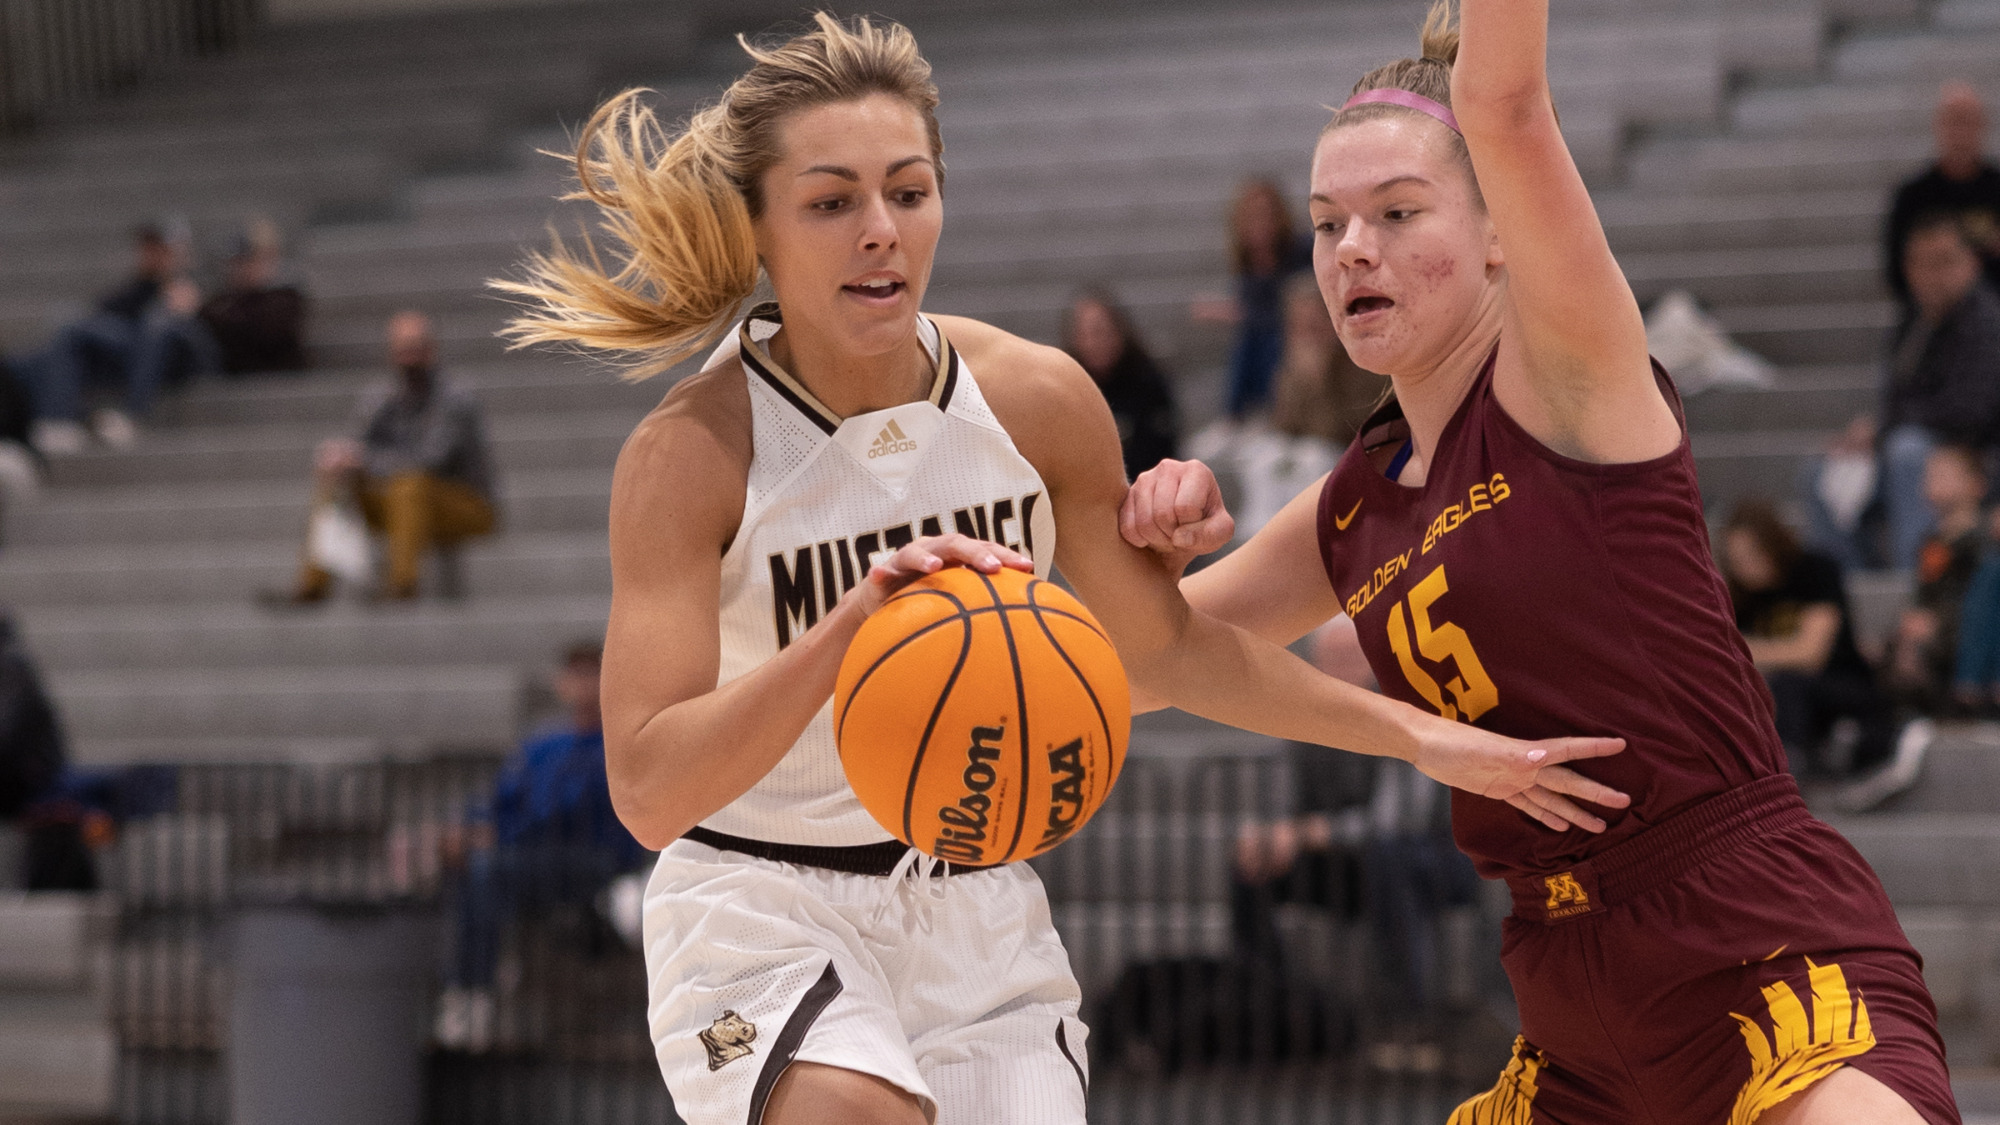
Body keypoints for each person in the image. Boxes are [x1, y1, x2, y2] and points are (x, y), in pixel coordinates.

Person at [495, 16, 1626, 1125]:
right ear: (756, 228)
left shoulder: (1034, 402)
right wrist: (849, 634)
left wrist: (1421, 738)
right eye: (832, 202)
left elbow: (1166, 655)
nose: (881, 230)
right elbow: (648, 793)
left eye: (908, 191)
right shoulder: (693, 454)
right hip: (761, 896)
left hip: (973, 906)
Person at [1119, 0, 1958, 1119]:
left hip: (1753, 950)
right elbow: (1131, 668)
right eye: (1325, 224)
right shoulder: (1349, 506)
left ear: (1497, 233)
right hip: (1569, 1014)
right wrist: (1134, 547)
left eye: (1396, 211)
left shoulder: (1565, 374)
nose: (1352, 247)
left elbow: (1506, 104)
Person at [437, 641, 644, 1050]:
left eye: (592, 673)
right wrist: (471, 827)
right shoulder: (542, 745)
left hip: (593, 861)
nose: (584, 684)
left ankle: (475, 989)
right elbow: (500, 800)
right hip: (530, 859)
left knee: (489, 870)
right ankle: (470, 989)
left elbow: (570, 813)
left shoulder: (620, 743)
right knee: (475, 871)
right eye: (576, 674)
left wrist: (502, 834)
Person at [270, 310, 496, 604]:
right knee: (338, 486)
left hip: (467, 504)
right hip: (404, 504)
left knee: (410, 484)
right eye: (402, 348)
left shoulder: (455, 399)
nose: (408, 356)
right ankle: (312, 587)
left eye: (415, 347)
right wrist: (341, 458)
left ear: (432, 349)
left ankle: (402, 585)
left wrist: (363, 459)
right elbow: (358, 445)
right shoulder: (382, 396)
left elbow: (430, 460)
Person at [1722, 498, 1900, 782]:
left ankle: (1789, 768)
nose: (1745, 568)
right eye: (1737, 562)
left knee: (1788, 684)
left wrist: (1748, 648)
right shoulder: (1740, 593)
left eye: (1752, 557)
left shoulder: (1814, 570)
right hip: (1782, 693)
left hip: (1842, 683)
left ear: (1772, 546)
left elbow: (1810, 654)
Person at [1876, 213, 2000, 571]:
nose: (1933, 275)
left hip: (1974, 448)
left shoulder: (1986, 321)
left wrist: (1897, 422)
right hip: (1923, 435)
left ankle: (1919, 578)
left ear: (1971, 263)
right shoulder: (1912, 323)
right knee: (1825, 471)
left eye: (1944, 262)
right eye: (1922, 264)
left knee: (1908, 453)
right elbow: (1894, 396)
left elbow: (1972, 410)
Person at [23, 223, 217, 453]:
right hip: (135, 352)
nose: (153, 255)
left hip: (179, 357)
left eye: (161, 249)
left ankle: (133, 416)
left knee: (159, 324)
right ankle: (57, 420)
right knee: (67, 325)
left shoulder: (195, 284)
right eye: (148, 248)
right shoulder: (136, 289)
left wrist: (186, 307)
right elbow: (102, 314)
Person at [1194, 178, 1313, 421]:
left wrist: (1237, 312)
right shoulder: (1247, 264)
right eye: (1251, 216)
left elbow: (1301, 310)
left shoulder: (1301, 251)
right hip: (1261, 341)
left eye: (1265, 214)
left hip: (1297, 337)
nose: (1259, 224)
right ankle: (1234, 416)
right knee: (1247, 341)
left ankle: (1262, 413)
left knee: (1264, 339)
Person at [1885, 445, 1985, 714]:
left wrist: (1937, 622)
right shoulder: (1932, 541)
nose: (1933, 481)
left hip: (1967, 630)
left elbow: (1981, 599)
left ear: (1976, 484)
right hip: (1934, 628)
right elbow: (1924, 594)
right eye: (1929, 474)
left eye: (1945, 474)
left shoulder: (1985, 540)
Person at [1885, 82, 2000, 313]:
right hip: (1932, 314)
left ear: (1982, 126)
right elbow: (1896, 267)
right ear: (1938, 125)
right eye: (1954, 121)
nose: (1960, 132)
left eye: (1967, 121)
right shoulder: (1913, 195)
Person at [1061, 287, 1178, 481]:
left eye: (1101, 331)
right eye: (1086, 333)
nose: (1095, 342)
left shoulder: (1148, 381)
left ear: (1119, 330)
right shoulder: (1063, 387)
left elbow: (1163, 449)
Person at [199, 219, 309, 375]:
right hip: (234, 379)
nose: (240, 269)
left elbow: (261, 332)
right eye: (235, 263)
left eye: (246, 261)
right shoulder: (223, 300)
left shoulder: (285, 297)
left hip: (278, 379)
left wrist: (201, 310)